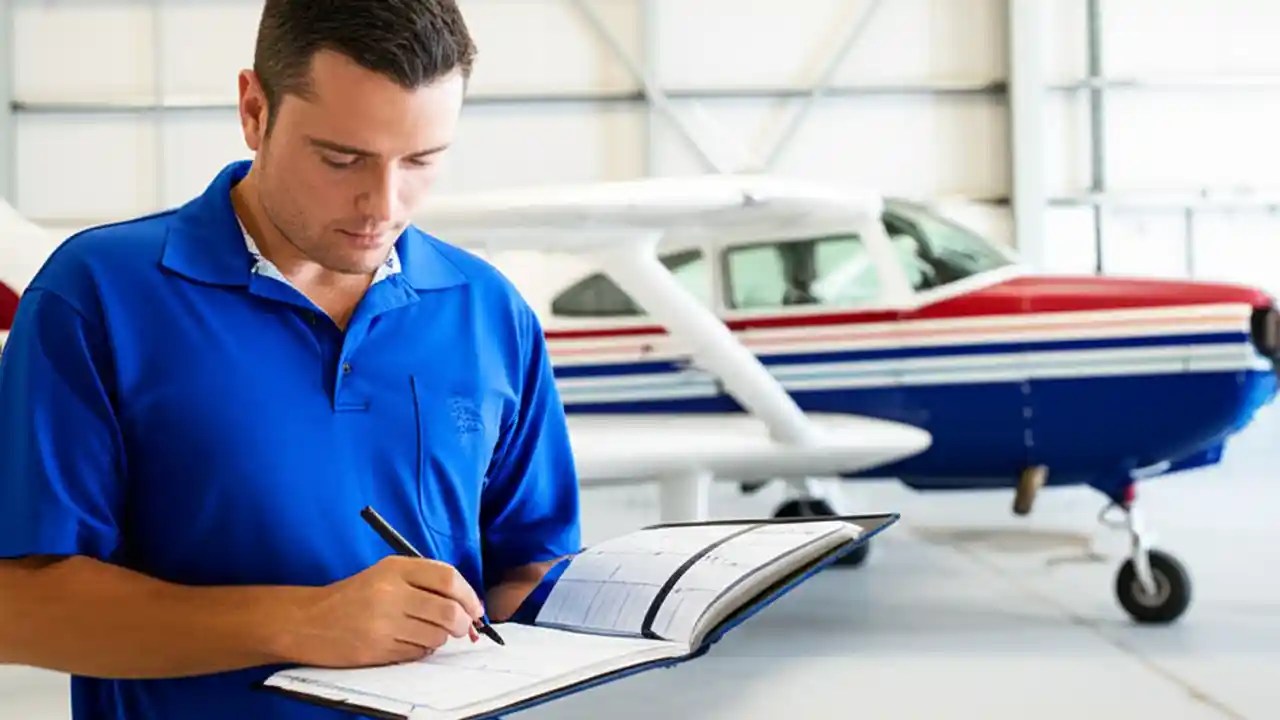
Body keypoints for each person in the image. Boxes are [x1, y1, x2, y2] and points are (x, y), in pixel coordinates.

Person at [0, 1, 581, 718]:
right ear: (254, 110)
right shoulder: (98, 295)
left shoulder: (488, 310)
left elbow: (528, 569)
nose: (383, 203)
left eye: (421, 161)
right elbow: (17, 608)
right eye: (342, 159)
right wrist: (302, 622)